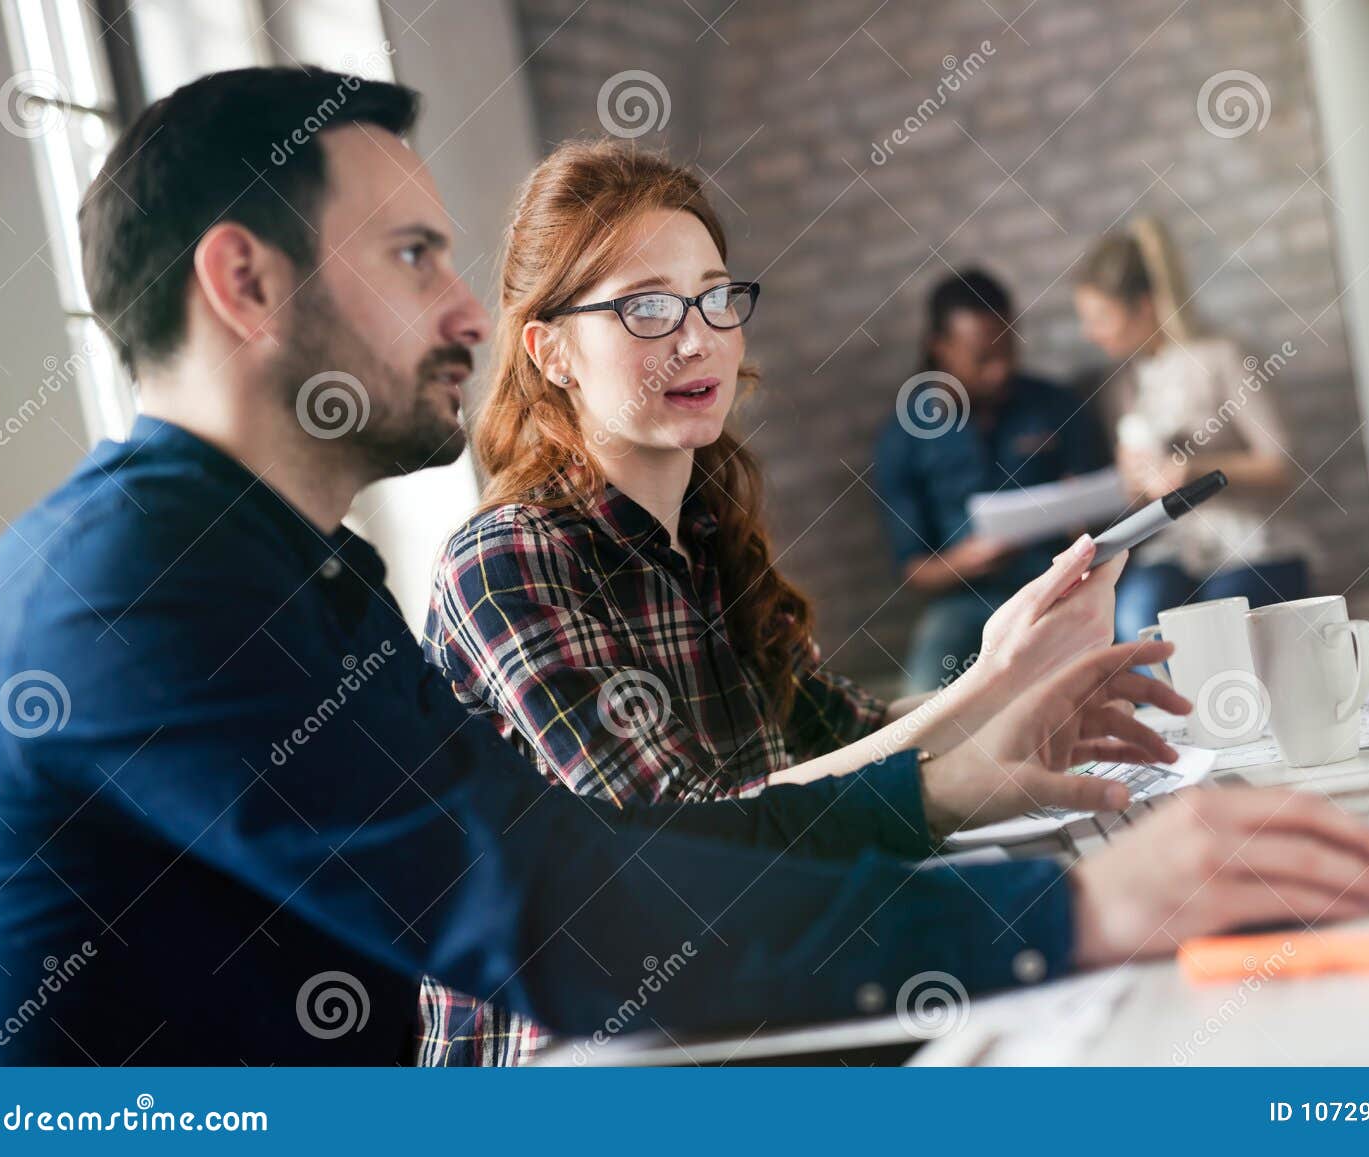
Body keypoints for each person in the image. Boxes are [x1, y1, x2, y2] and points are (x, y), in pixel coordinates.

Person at [0, 67, 1369, 1066]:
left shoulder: (295, 569)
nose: (466, 304)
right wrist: (1079, 907)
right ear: (244, 283)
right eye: (416, 254)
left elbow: (590, 857)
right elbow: (561, 913)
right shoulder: (137, 584)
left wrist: (956, 779)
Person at [419, 143, 1122, 1064]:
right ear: (551, 352)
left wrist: (1019, 687)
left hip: (733, 988)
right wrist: (981, 694)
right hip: (584, 1057)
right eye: (647, 307)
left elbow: (843, 732)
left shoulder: (705, 536)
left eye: (715, 295)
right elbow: (684, 836)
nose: (697, 335)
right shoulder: (508, 559)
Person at [1073, 219, 1313, 643]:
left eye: (1100, 318)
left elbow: (1283, 467)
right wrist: (1133, 484)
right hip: (1177, 550)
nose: (1090, 334)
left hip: (1254, 543)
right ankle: (1173, 710)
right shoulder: (1123, 384)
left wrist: (1195, 470)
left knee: (1216, 632)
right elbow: (1141, 495)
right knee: (1135, 621)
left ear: (1144, 306)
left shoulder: (1223, 357)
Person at [875, 269, 1112, 694]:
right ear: (940, 349)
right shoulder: (906, 437)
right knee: (922, 699)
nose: (1000, 370)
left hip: (1055, 585)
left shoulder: (1056, 406)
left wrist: (1080, 533)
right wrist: (966, 561)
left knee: (1104, 675)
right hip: (967, 601)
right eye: (983, 358)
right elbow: (911, 569)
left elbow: (1100, 505)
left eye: (1007, 352)